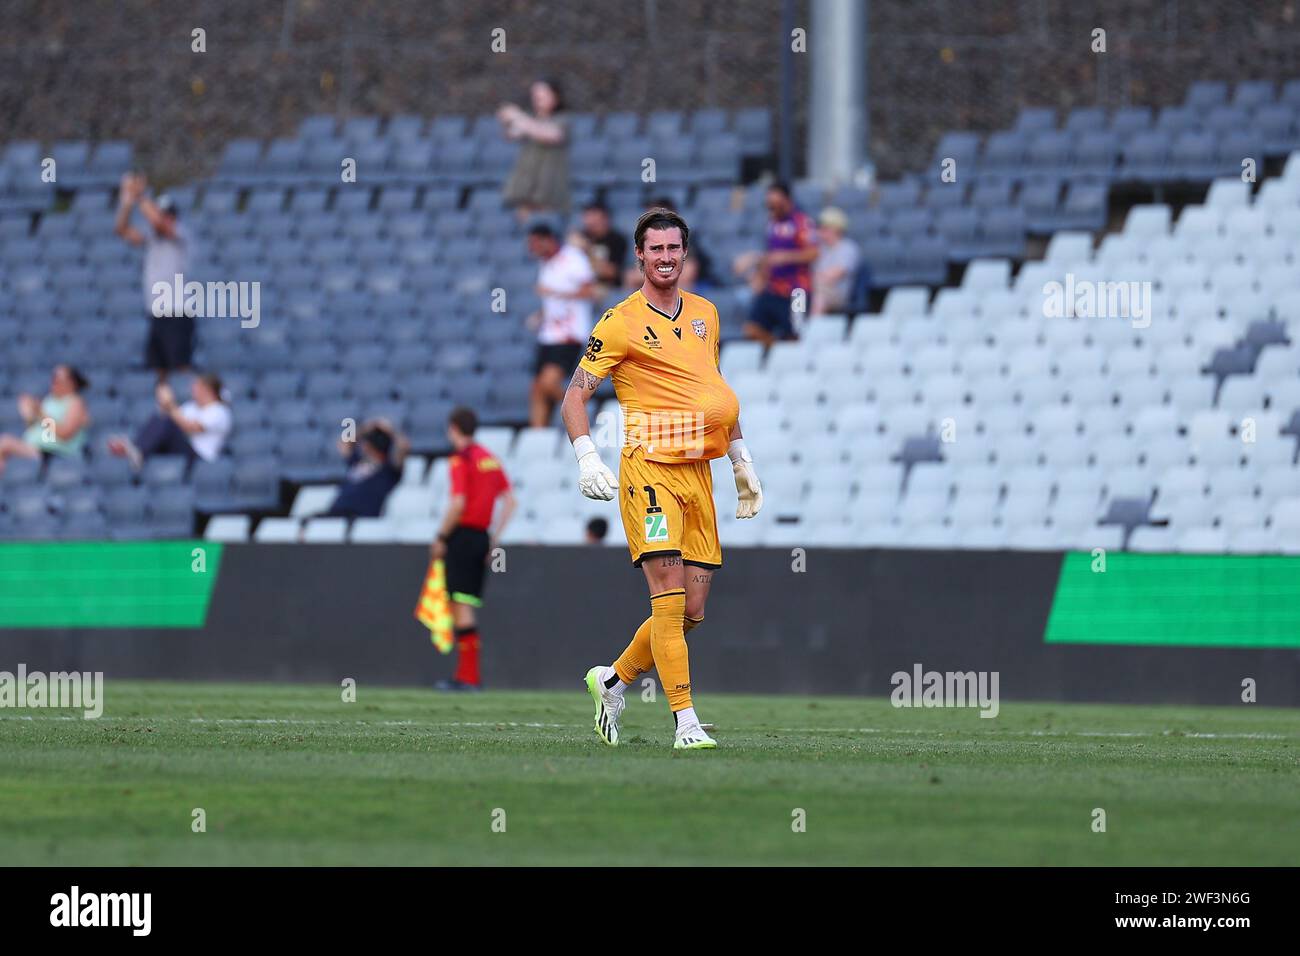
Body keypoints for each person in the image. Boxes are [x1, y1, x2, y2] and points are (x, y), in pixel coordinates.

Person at [561, 208, 764, 751]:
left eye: (674, 248)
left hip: (698, 470)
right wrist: (587, 457)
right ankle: (685, 721)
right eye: (656, 250)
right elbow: (574, 395)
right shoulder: (619, 321)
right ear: (640, 256)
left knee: (693, 609)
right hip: (649, 470)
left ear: (685, 253)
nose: (666, 258)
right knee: (669, 596)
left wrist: (740, 457)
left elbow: (714, 391)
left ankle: (611, 681)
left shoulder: (705, 314)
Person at [431, 407, 517, 691]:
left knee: (460, 604)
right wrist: (494, 538)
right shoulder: (488, 459)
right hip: (480, 537)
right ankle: (466, 676)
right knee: (463, 602)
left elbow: (457, 502)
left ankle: (467, 678)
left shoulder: (461, 459)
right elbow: (510, 501)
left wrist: (442, 537)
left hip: (463, 536)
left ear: (453, 428)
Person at [114, 173, 195, 378]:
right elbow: (121, 229)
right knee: (158, 368)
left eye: (167, 214)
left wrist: (140, 196)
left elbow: (159, 223)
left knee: (179, 365)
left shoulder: (181, 234)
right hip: (157, 312)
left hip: (177, 311)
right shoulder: (152, 237)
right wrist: (127, 203)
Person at [525, 222, 599, 428]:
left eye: (535, 244)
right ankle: (537, 437)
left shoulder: (573, 258)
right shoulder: (545, 264)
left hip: (569, 334)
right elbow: (555, 300)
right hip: (549, 334)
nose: (532, 249)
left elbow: (589, 292)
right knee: (537, 388)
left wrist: (554, 293)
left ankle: (583, 414)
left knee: (548, 383)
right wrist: (541, 314)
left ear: (547, 240)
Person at [734, 181, 818, 346]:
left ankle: (788, 355)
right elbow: (770, 256)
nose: (771, 208)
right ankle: (778, 350)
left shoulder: (802, 223)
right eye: (769, 205)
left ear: (787, 201)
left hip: (797, 291)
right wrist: (758, 272)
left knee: (796, 335)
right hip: (773, 289)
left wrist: (786, 257)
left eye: (775, 204)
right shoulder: (772, 225)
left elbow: (813, 253)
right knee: (752, 329)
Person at [107, 372, 231, 470]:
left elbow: (190, 427)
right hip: (181, 451)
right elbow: (167, 418)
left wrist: (170, 404)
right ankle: (134, 449)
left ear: (208, 390)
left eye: (197, 387)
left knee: (166, 422)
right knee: (160, 419)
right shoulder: (191, 406)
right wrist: (164, 403)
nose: (193, 390)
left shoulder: (219, 411)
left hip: (200, 459)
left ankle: (137, 451)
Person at [499, 78, 570, 221]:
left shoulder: (564, 119)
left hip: (550, 188)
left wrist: (518, 116)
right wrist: (507, 120)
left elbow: (551, 134)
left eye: (543, 94)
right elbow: (511, 134)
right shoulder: (530, 119)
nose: (538, 99)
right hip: (529, 187)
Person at [0, 365, 90, 474]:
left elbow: (65, 434)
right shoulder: (49, 400)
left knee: (5, 442)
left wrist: (40, 413)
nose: (54, 381)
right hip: (38, 450)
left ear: (71, 383)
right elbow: (40, 431)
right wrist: (27, 413)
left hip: (56, 453)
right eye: (53, 378)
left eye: (58, 378)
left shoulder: (75, 402)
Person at [325, 419, 409, 519]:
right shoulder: (357, 462)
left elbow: (404, 447)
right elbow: (343, 443)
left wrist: (391, 430)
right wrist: (366, 427)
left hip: (360, 517)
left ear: (369, 446)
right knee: (308, 525)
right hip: (336, 513)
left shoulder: (388, 470)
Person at [811, 206, 861, 315]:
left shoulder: (848, 248)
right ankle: (796, 330)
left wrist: (810, 279)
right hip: (815, 287)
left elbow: (834, 275)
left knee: (819, 297)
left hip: (838, 294)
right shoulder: (820, 248)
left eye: (823, 227)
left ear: (836, 229)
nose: (819, 230)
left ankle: (813, 331)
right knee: (796, 294)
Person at [574, 202, 627, 291]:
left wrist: (587, 250)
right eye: (588, 219)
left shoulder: (617, 240)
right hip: (581, 284)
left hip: (607, 286)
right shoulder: (581, 236)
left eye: (595, 220)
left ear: (605, 219)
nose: (590, 223)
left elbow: (612, 272)